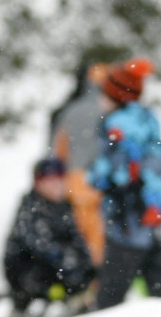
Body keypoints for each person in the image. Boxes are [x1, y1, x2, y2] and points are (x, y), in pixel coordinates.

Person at [87, 58, 161, 309]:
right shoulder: (149, 121)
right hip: (154, 222)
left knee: (110, 296)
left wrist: (94, 176)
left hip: (127, 220)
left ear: (117, 96)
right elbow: (155, 168)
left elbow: (113, 172)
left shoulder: (117, 127)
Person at [2, 156, 96, 317]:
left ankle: (79, 302)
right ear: (38, 183)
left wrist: (86, 264)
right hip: (26, 269)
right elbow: (40, 244)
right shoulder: (31, 206)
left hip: (57, 268)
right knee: (42, 271)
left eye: (59, 181)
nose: (56, 186)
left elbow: (77, 239)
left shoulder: (65, 206)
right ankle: (20, 309)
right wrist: (68, 265)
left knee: (87, 269)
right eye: (50, 181)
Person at [49, 63, 109, 265]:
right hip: (104, 180)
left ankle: (85, 277)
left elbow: (58, 148)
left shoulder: (72, 110)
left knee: (79, 233)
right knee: (101, 233)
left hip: (75, 180)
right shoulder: (112, 111)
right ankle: (102, 278)